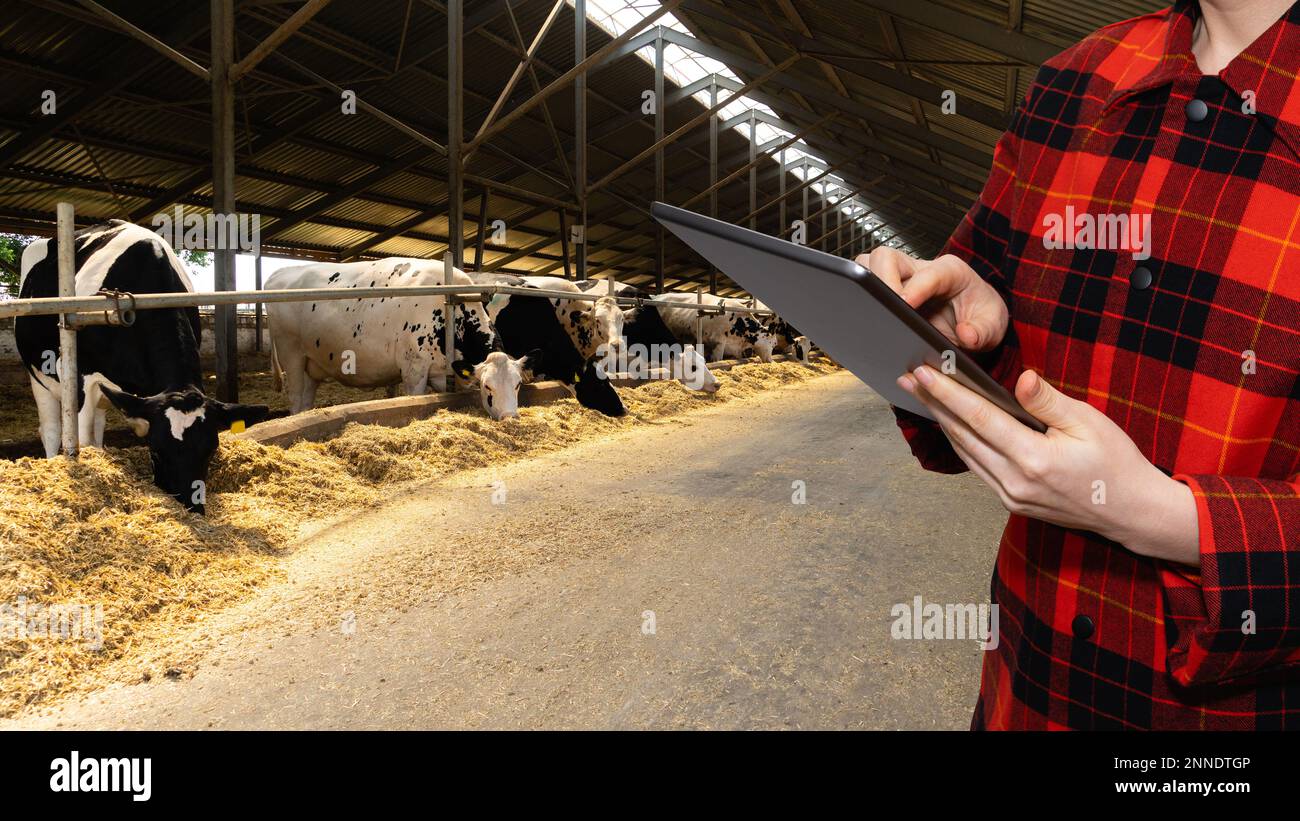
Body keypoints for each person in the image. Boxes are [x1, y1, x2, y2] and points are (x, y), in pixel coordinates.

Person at [863, 0, 1300, 729]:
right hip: (1029, 690)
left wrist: (1162, 517)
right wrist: (971, 330)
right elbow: (1000, 379)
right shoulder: (1074, 85)